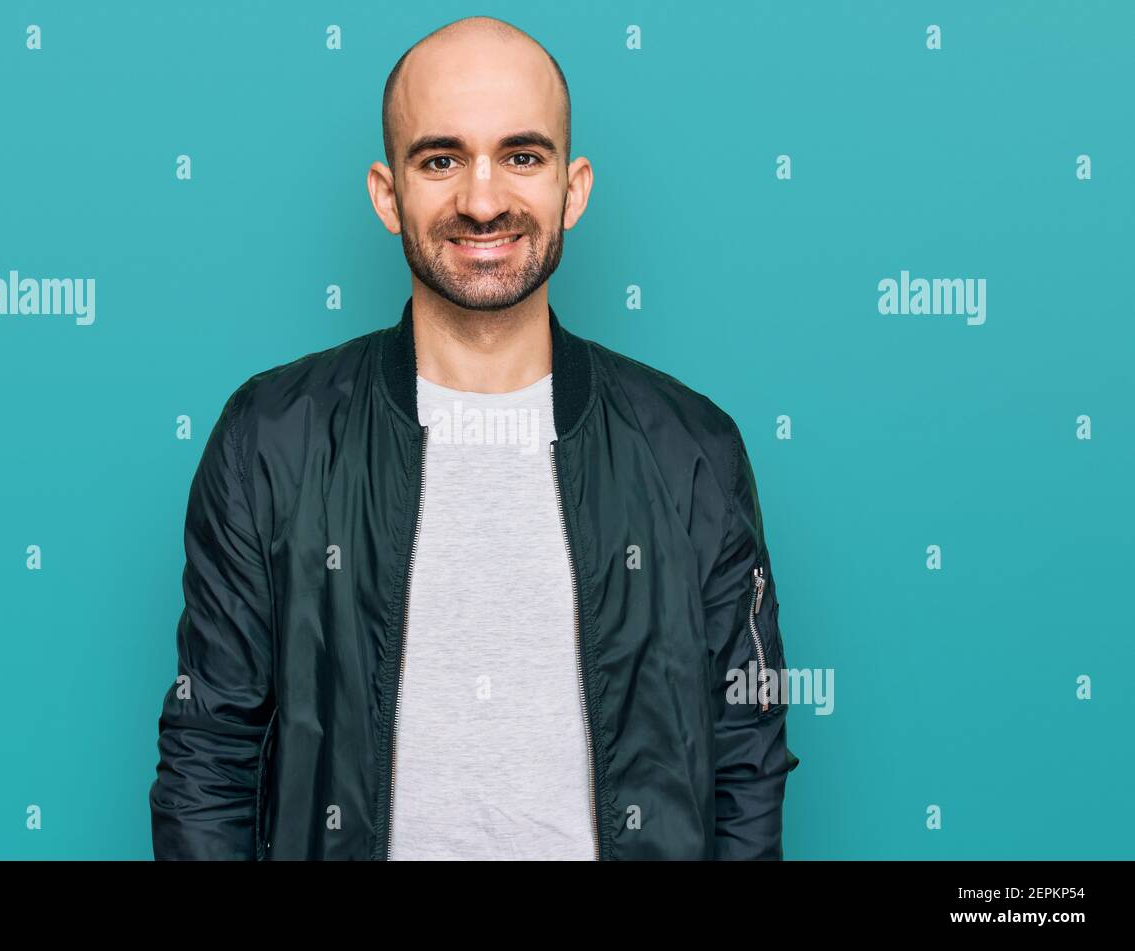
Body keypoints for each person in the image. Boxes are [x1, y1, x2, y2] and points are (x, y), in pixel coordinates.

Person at [149, 14, 799, 861]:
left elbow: (747, 758)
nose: (483, 199)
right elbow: (209, 754)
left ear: (575, 187)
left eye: (522, 156)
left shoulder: (691, 449)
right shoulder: (272, 438)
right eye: (441, 159)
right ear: (388, 195)